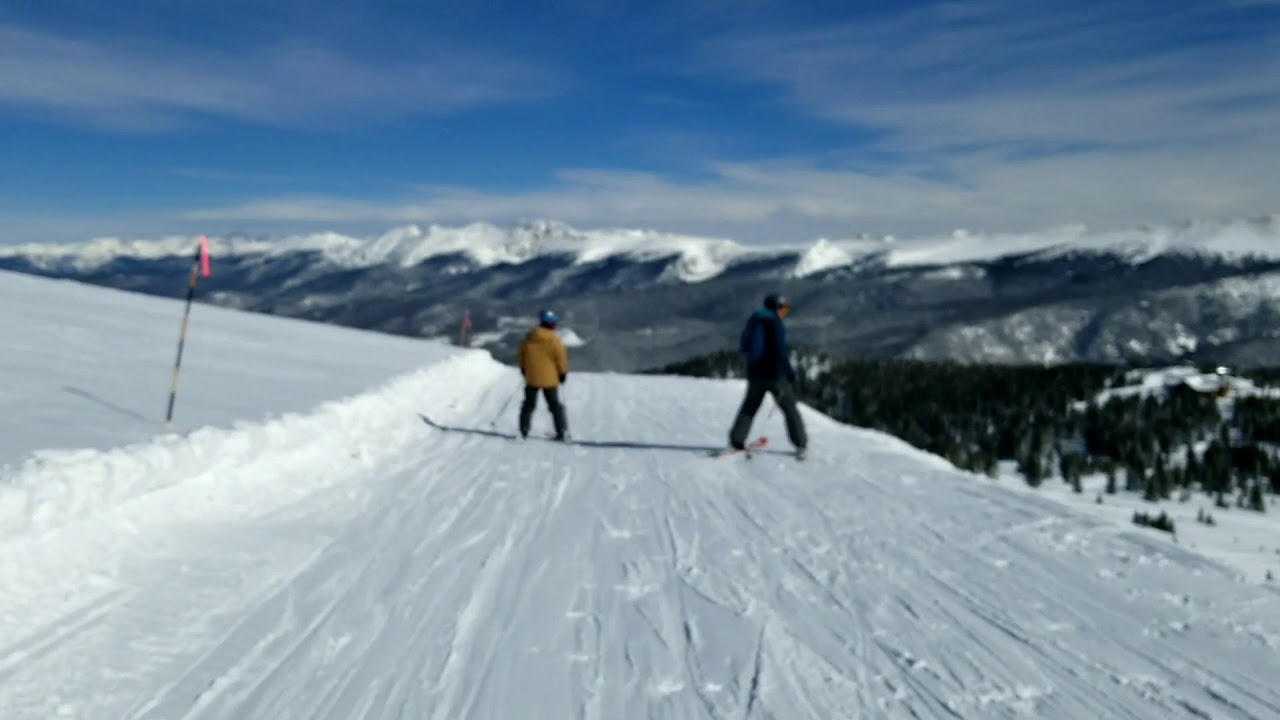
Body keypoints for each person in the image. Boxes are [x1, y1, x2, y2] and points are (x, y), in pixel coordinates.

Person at [728, 293, 808, 457]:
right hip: (775, 375)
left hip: (755, 374)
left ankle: (736, 440)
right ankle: (801, 444)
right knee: (789, 408)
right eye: (783, 308)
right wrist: (789, 372)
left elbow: (745, 346)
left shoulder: (754, 320)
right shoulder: (775, 323)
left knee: (749, 406)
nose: (784, 312)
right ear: (776, 307)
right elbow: (780, 350)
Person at [517, 309, 570, 440]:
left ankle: (523, 430)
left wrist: (523, 369)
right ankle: (561, 431)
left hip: (531, 377)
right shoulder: (554, 339)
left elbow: (521, 354)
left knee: (528, 405)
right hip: (550, 379)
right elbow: (560, 358)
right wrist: (562, 373)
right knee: (555, 405)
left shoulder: (529, 337)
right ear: (552, 324)